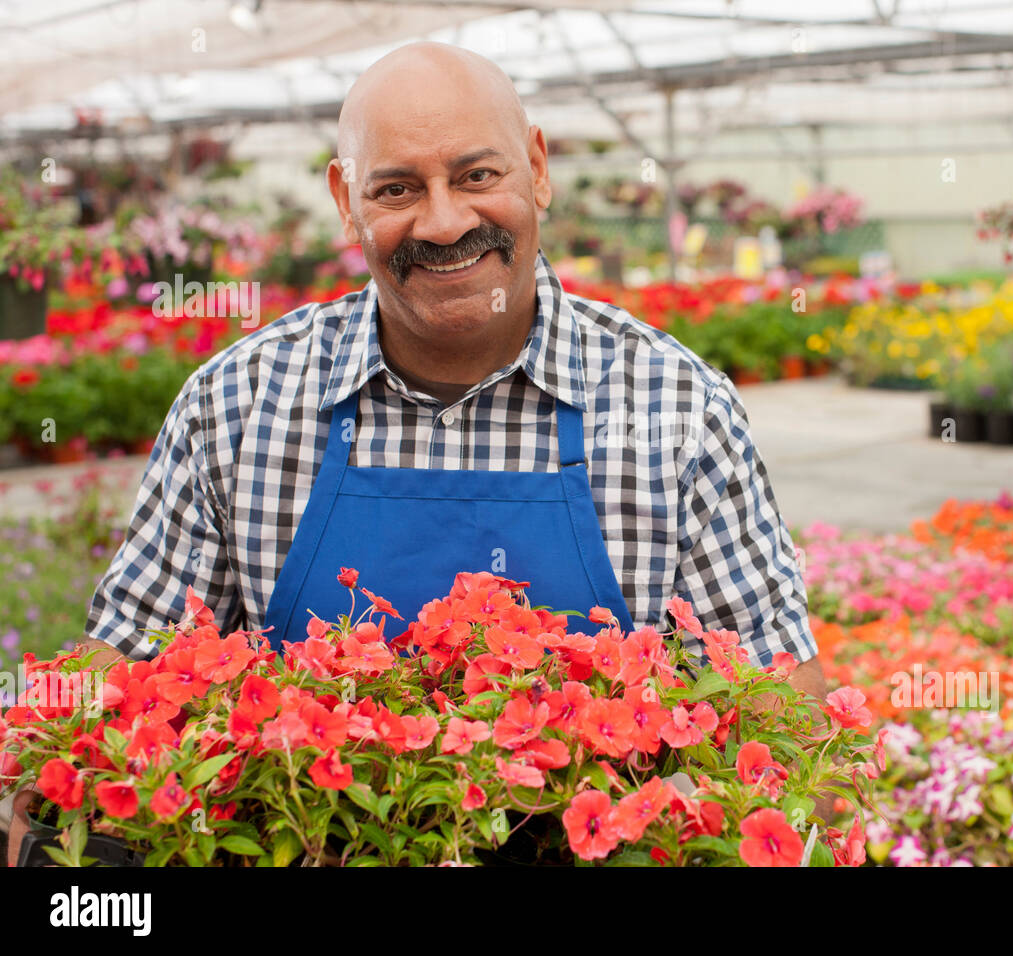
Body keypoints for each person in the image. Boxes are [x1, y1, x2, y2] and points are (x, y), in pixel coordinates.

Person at [5, 41, 825, 866]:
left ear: (536, 169)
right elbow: (128, 658)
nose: (443, 222)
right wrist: (37, 748)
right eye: (397, 188)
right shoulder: (237, 403)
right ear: (344, 201)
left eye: (476, 176)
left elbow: (786, 723)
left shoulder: (675, 409)